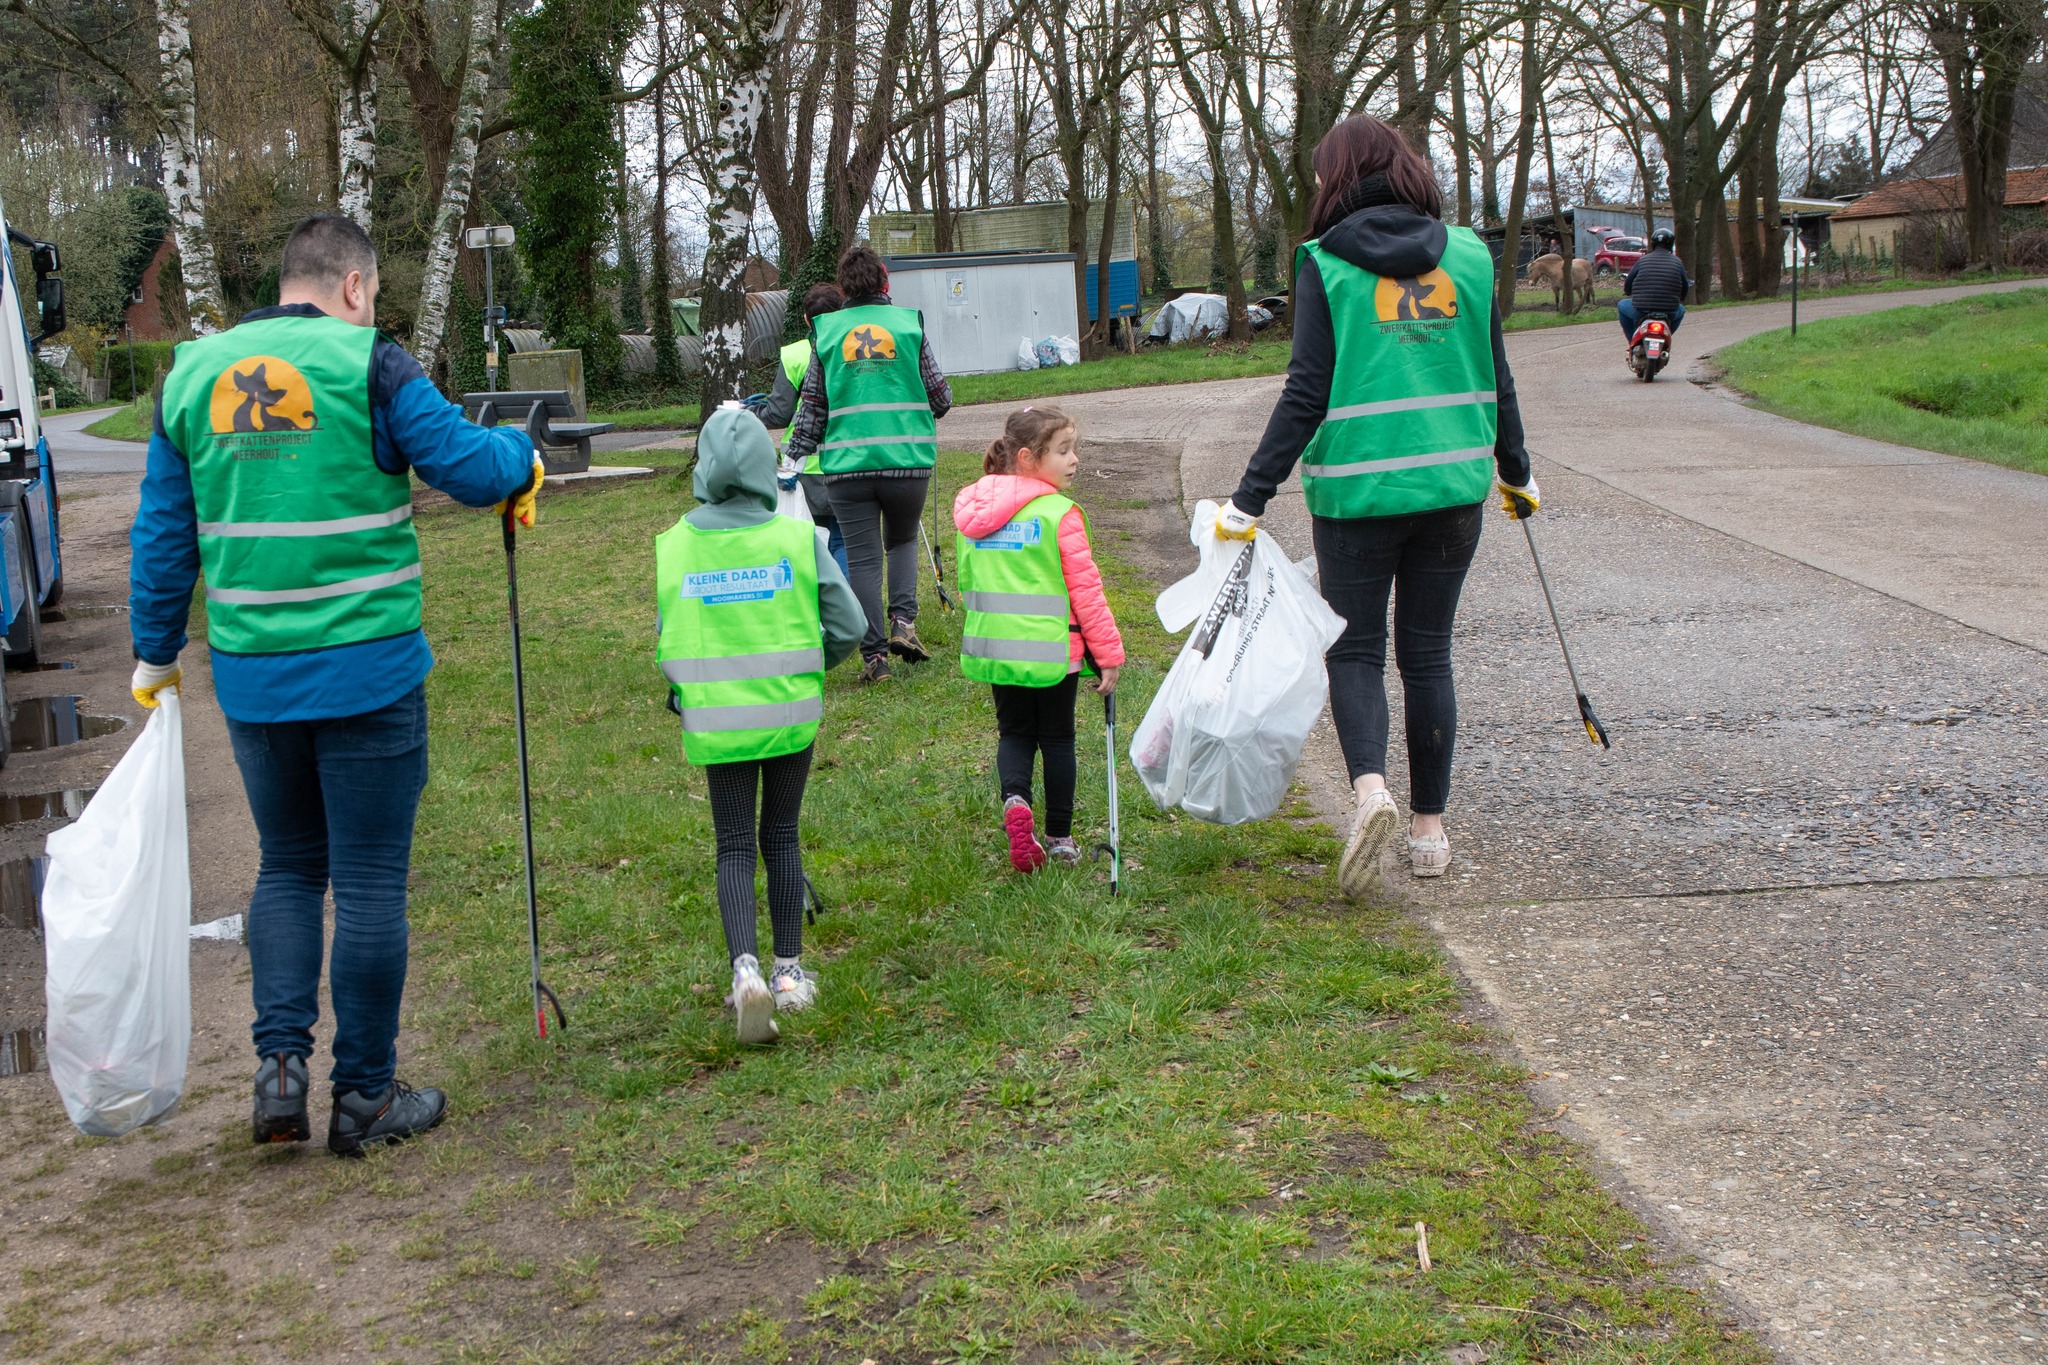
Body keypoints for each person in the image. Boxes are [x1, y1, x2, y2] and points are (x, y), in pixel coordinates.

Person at [128, 212, 541, 1157]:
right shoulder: (372, 365)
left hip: (255, 679)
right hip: (368, 672)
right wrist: (524, 458)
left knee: (285, 866)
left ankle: (279, 1073)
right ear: (353, 287)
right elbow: (467, 464)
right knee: (365, 883)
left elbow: (162, 537)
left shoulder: (190, 376)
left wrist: (156, 656)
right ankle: (364, 1095)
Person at [1215, 115, 1537, 901]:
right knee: (1428, 655)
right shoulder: (1467, 254)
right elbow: (1498, 375)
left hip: (1358, 495)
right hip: (1453, 493)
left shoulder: (1324, 264)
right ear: (1406, 170)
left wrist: (1249, 498)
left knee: (1354, 652)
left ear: (1335, 179)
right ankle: (1430, 833)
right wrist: (1516, 471)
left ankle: (1370, 794)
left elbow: (1306, 390)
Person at [655, 403, 864, 1042]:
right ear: (766, 469)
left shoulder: (676, 544)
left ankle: (743, 969)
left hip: (718, 721)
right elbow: (850, 626)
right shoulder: (798, 539)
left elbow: (669, 639)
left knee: (733, 844)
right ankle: (790, 974)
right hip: (789, 712)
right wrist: (813, 666)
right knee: (781, 831)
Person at [952, 406, 1123, 871]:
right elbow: (1086, 593)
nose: (1075, 460)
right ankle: (1060, 836)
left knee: (1013, 733)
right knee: (1057, 739)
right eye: (1064, 451)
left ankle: (1015, 802)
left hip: (995, 648)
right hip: (1053, 654)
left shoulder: (973, 512)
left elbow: (968, 583)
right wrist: (1107, 655)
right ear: (1028, 458)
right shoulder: (1058, 514)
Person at [784, 244, 953, 685]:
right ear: (885, 281)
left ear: (843, 288)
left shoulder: (828, 331)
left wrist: (795, 455)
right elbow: (941, 397)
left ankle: (874, 659)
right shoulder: (907, 324)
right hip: (906, 462)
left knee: (862, 560)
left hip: (847, 467)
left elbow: (813, 406)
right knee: (900, 543)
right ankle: (904, 625)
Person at [759, 282, 850, 578]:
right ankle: (846, 609)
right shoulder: (855, 351)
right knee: (844, 540)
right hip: (846, 463)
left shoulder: (795, 354)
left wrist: (745, 412)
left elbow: (778, 412)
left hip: (803, 468)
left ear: (806, 318)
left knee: (808, 543)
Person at [1618, 228, 1690, 348]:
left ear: (1653, 243)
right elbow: (1685, 285)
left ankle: (1632, 341)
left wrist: (1628, 291)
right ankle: (1665, 336)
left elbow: (1628, 282)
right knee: (1681, 309)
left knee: (1621, 305)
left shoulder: (1642, 260)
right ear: (1671, 244)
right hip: (1669, 311)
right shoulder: (1677, 263)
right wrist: (1682, 297)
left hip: (1641, 310)